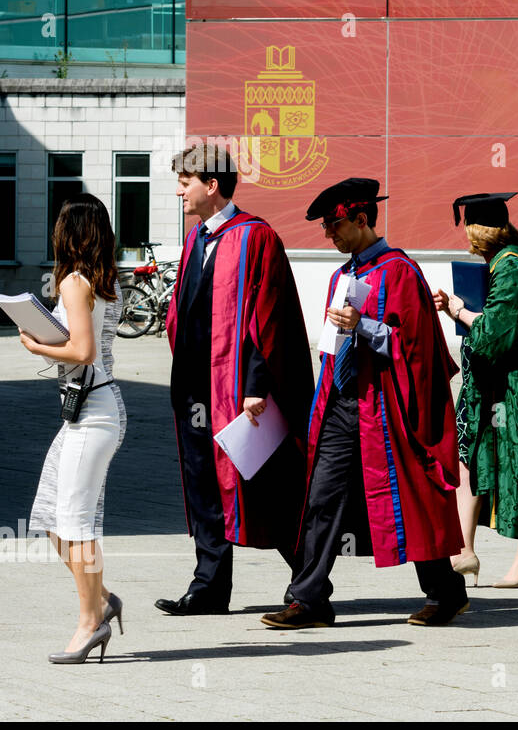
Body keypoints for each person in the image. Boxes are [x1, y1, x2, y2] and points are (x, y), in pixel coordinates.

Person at [261, 178, 467, 628]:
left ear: (361, 220)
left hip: (388, 407)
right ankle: (310, 599)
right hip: (341, 404)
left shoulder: (400, 271)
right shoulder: (343, 275)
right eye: (325, 227)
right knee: (321, 498)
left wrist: (364, 327)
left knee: (411, 494)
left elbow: (419, 347)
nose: (329, 234)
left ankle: (446, 590)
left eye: (334, 225)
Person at [158, 144, 312, 616]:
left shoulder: (256, 238)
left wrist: (256, 385)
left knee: (262, 483)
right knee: (202, 484)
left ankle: (308, 580)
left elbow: (272, 318)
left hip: (238, 392)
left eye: (188, 180)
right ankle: (209, 587)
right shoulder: (195, 240)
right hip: (194, 389)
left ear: (214, 185)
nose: (180, 188)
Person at [21, 195, 127, 663]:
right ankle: (101, 600)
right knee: (49, 516)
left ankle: (90, 623)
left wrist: (33, 344)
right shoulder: (105, 281)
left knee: (76, 523)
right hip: (91, 409)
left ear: (69, 233)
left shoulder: (75, 282)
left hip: (93, 411)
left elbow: (81, 351)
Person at [433, 192, 518, 589]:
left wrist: (457, 311)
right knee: (474, 458)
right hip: (491, 384)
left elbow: (496, 334)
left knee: (512, 466)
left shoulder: (511, 267)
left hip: (511, 386)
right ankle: (465, 550)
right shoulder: (507, 259)